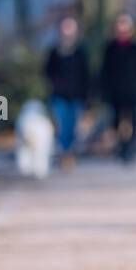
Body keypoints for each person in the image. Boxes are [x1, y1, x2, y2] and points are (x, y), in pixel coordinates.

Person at [98, 12, 136, 162]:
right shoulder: (110, 49)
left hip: (135, 94)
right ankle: (121, 147)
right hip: (115, 94)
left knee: (135, 122)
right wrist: (103, 92)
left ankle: (129, 149)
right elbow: (104, 72)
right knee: (115, 122)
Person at [44, 16, 90, 164]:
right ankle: (65, 154)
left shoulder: (81, 52)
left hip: (77, 96)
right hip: (59, 97)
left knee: (73, 127)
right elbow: (48, 73)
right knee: (62, 127)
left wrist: (87, 95)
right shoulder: (54, 53)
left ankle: (70, 153)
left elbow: (86, 75)